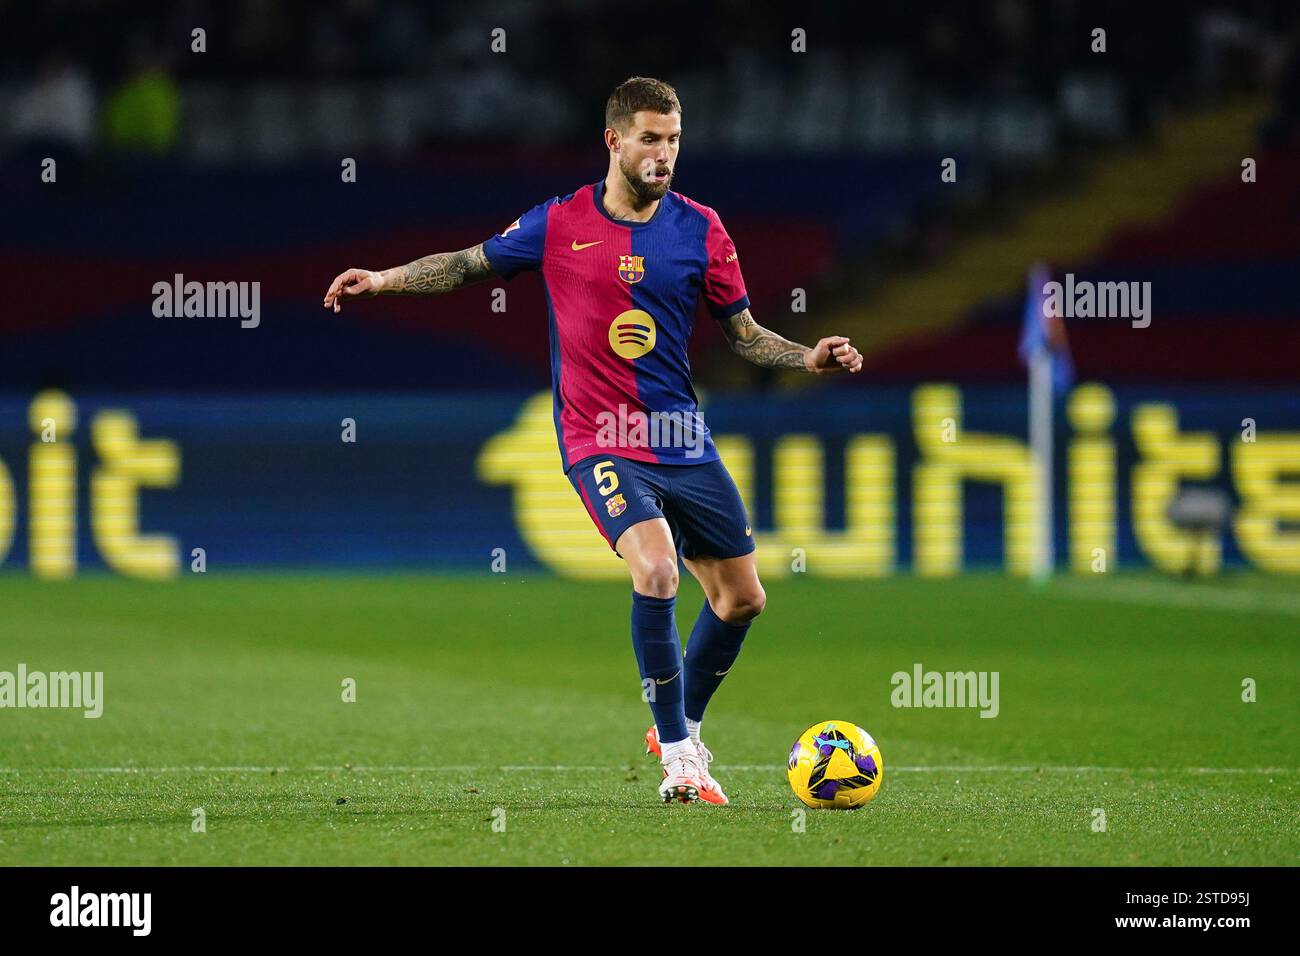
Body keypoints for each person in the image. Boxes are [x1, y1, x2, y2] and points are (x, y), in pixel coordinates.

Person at [323, 76, 862, 804]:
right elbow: (466, 265)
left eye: (672, 139)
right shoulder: (559, 221)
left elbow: (744, 333)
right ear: (614, 140)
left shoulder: (702, 228)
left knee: (742, 600)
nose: (663, 153)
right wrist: (383, 279)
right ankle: (679, 757)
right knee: (658, 571)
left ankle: (682, 726)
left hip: (680, 436)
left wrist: (807, 357)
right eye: (649, 138)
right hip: (598, 436)